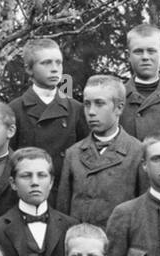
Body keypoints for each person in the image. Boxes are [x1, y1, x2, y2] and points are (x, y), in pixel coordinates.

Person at [56, 75, 145, 225]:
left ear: (119, 108)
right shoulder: (73, 153)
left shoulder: (138, 152)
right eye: (86, 104)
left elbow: (144, 211)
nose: (91, 112)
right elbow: (63, 211)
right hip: (81, 243)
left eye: (99, 104)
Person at [9, 37, 88, 187]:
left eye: (58, 62)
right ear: (29, 69)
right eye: (46, 63)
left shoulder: (76, 109)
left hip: (65, 190)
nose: (54, 68)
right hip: (30, 189)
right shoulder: (15, 109)